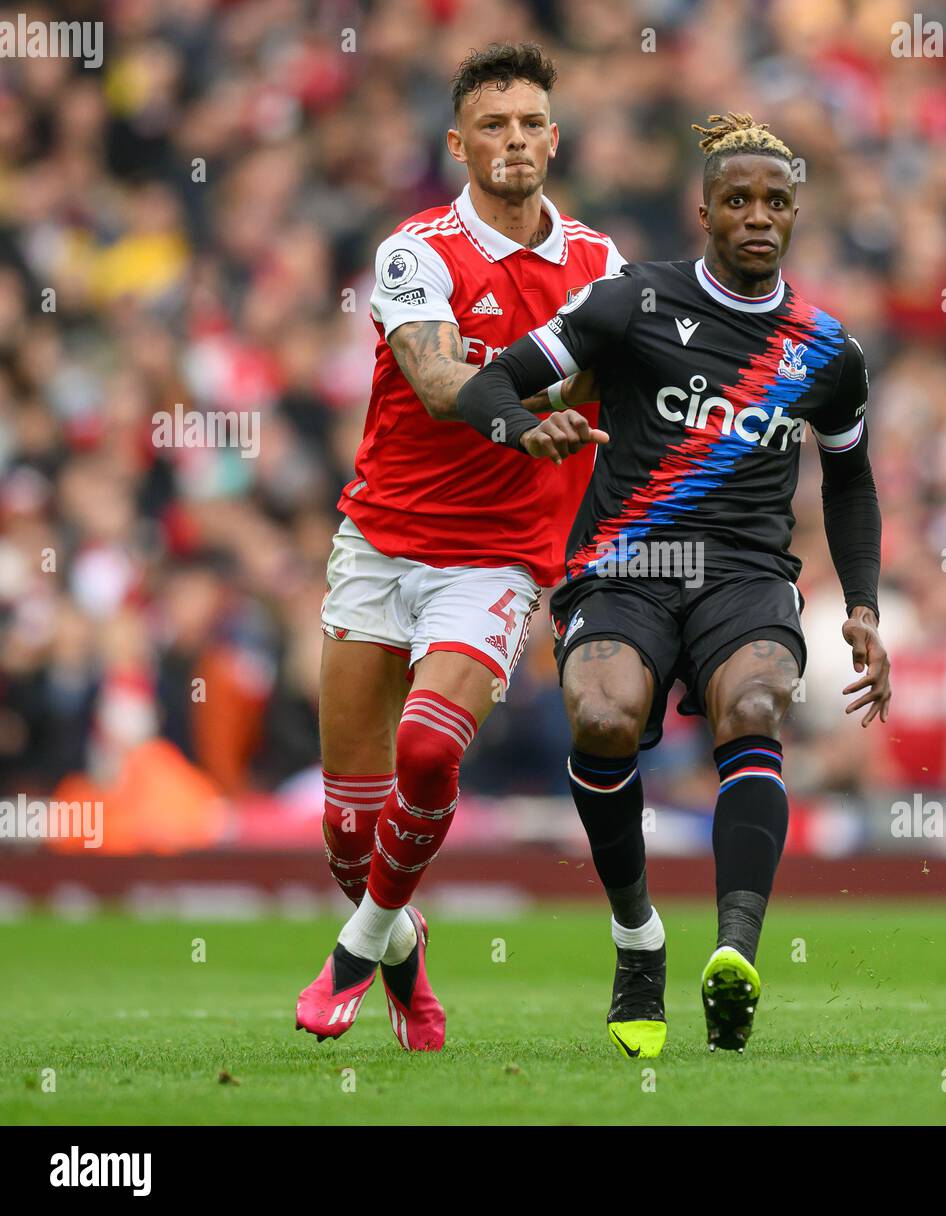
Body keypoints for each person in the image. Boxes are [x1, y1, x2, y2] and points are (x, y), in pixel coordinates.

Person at [457, 113, 890, 1056]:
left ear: (797, 215)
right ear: (705, 211)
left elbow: (851, 480)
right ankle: (637, 940)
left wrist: (861, 605)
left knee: (760, 701)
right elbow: (493, 381)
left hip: (743, 575)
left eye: (777, 202)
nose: (759, 217)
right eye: (739, 201)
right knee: (603, 717)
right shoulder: (630, 305)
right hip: (626, 568)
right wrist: (525, 428)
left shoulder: (828, 355)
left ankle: (734, 955)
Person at [295, 43, 622, 1050]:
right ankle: (402, 945)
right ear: (459, 143)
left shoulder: (600, 266)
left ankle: (353, 951)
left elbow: (622, 383)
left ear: (553, 138)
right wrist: (533, 418)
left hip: (499, 554)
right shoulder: (417, 251)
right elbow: (439, 386)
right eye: (493, 125)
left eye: (529, 123)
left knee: (430, 751)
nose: (514, 140)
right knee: (349, 826)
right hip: (382, 542)